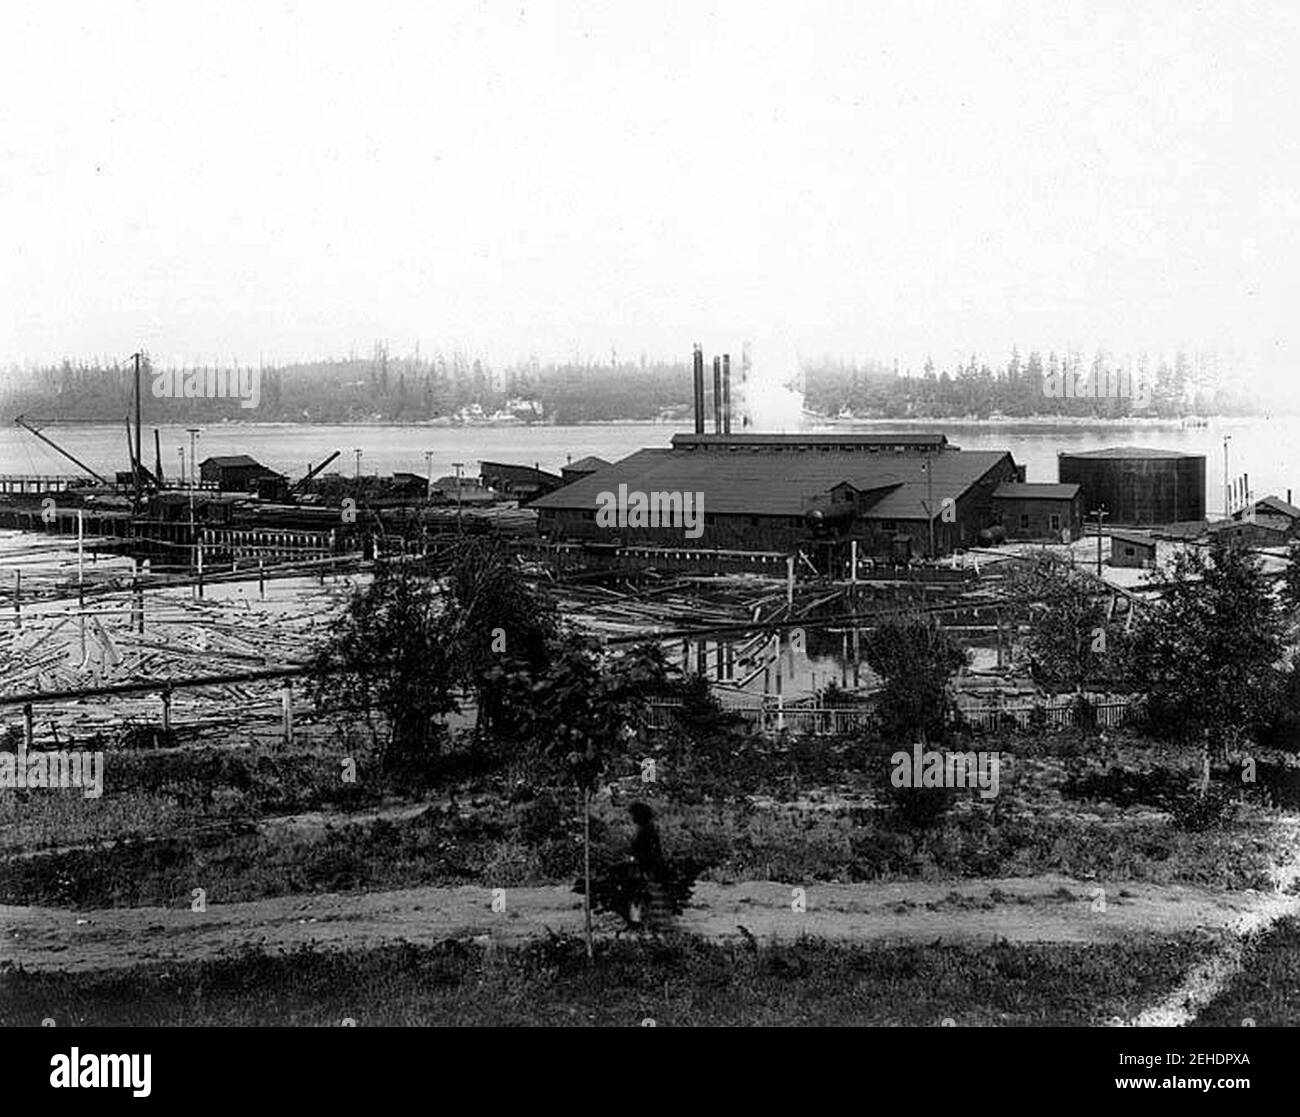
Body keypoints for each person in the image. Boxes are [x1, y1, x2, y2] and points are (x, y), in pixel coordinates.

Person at [627, 802, 671, 932]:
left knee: (640, 894)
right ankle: (644, 923)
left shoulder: (645, 831)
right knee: (643, 895)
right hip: (648, 866)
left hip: (645, 867)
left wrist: (636, 860)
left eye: (633, 815)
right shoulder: (648, 829)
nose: (632, 818)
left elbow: (647, 851)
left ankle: (641, 923)